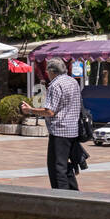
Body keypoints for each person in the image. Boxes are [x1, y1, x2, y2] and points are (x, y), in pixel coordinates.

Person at [20, 57, 82, 190]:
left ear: (52, 71)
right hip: (73, 130)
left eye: (48, 71)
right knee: (66, 165)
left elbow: (49, 112)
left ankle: (61, 196)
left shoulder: (55, 85)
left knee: (56, 167)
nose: (47, 74)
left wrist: (30, 110)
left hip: (59, 131)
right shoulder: (73, 82)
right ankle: (74, 193)